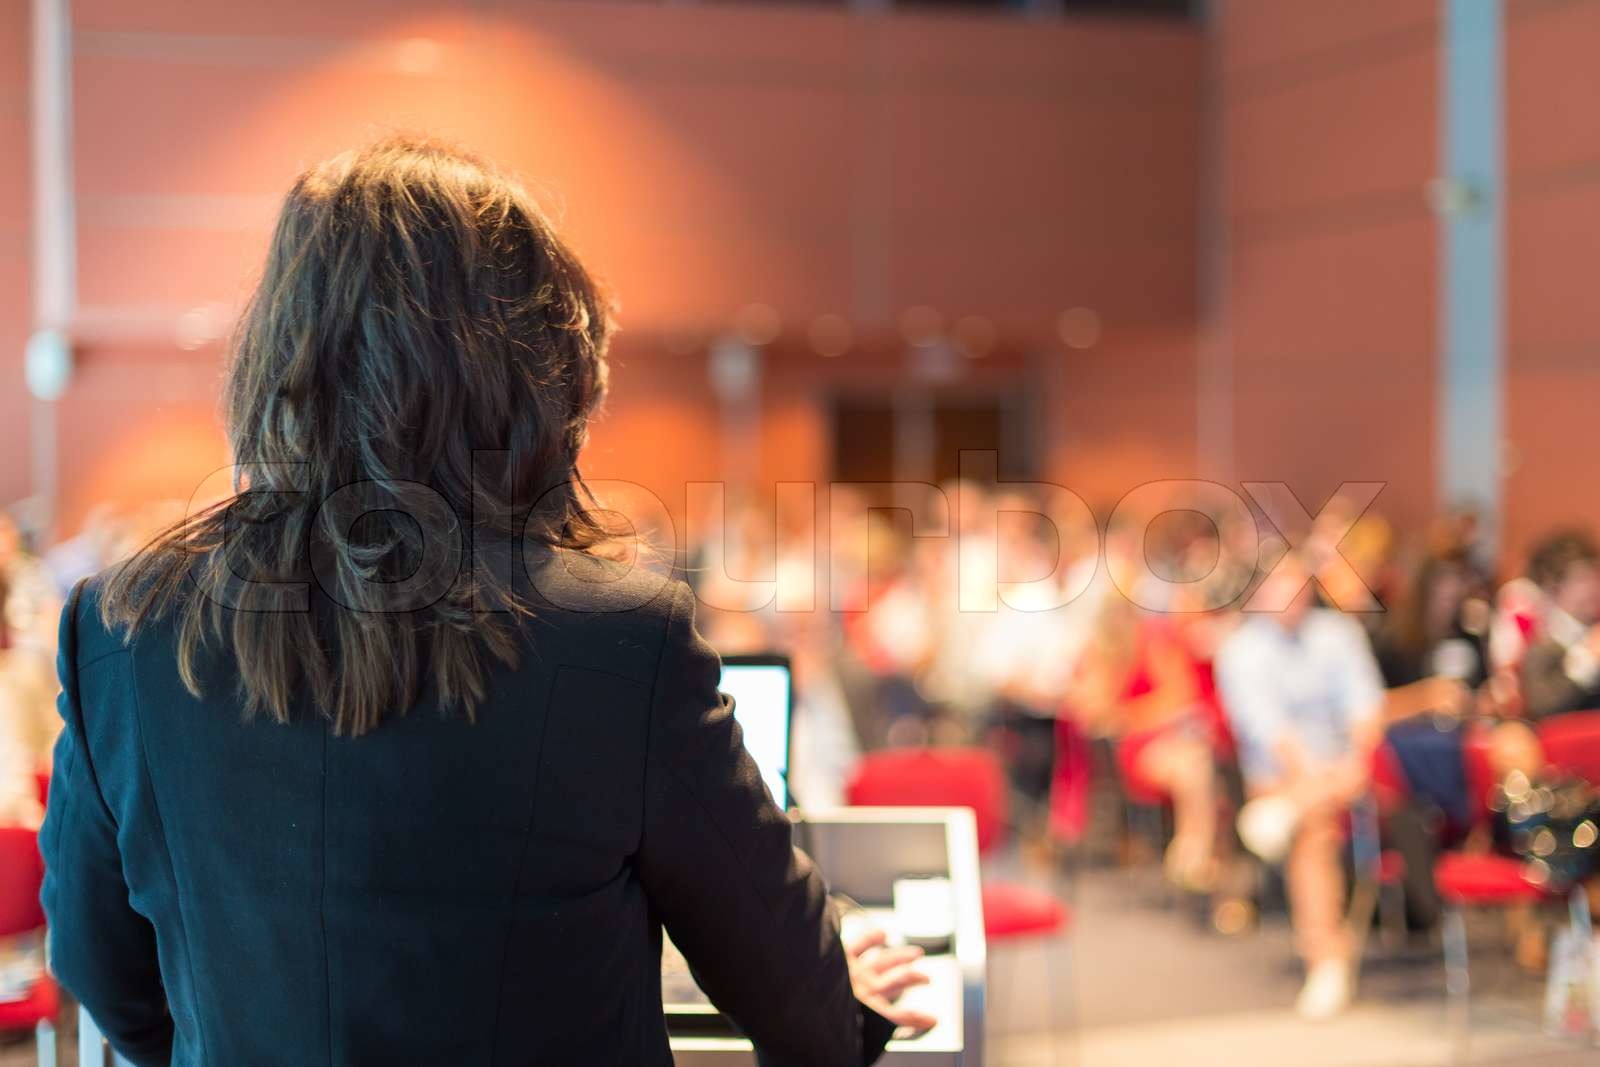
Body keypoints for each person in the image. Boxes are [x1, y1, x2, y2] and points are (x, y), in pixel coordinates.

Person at [40, 136, 932, 1067]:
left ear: (275, 352)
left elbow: (106, 975)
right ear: (536, 375)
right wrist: (841, 995)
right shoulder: (621, 643)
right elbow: (803, 1018)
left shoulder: (122, 632)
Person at [1215, 551, 1385, 1021]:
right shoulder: (1241, 649)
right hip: (1279, 776)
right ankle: (1326, 959)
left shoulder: (1339, 634)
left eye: (1298, 585)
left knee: (1309, 812)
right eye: (1280, 586)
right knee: (1314, 828)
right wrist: (1315, 779)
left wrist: (1354, 759)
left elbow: (1365, 707)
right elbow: (1268, 732)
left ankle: (1288, 813)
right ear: (1258, 594)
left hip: (1348, 768)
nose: (1292, 596)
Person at [1519, 529, 1600, 720]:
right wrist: (1589, 658)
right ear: (1554, 587)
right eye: (1581, 580)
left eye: (1596, 577)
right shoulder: (1543, 645)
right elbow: (1543, 707)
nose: (1593, 588)